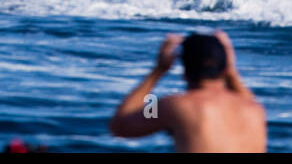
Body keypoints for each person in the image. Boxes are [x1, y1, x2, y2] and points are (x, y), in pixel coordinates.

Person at [108, 30, 266, 152]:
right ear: (225, 68)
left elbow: (120, 125)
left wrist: (157, 72)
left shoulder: (177, 106)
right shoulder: (254, 110)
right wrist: (232, 71)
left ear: (184, 70)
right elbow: (246, 97)